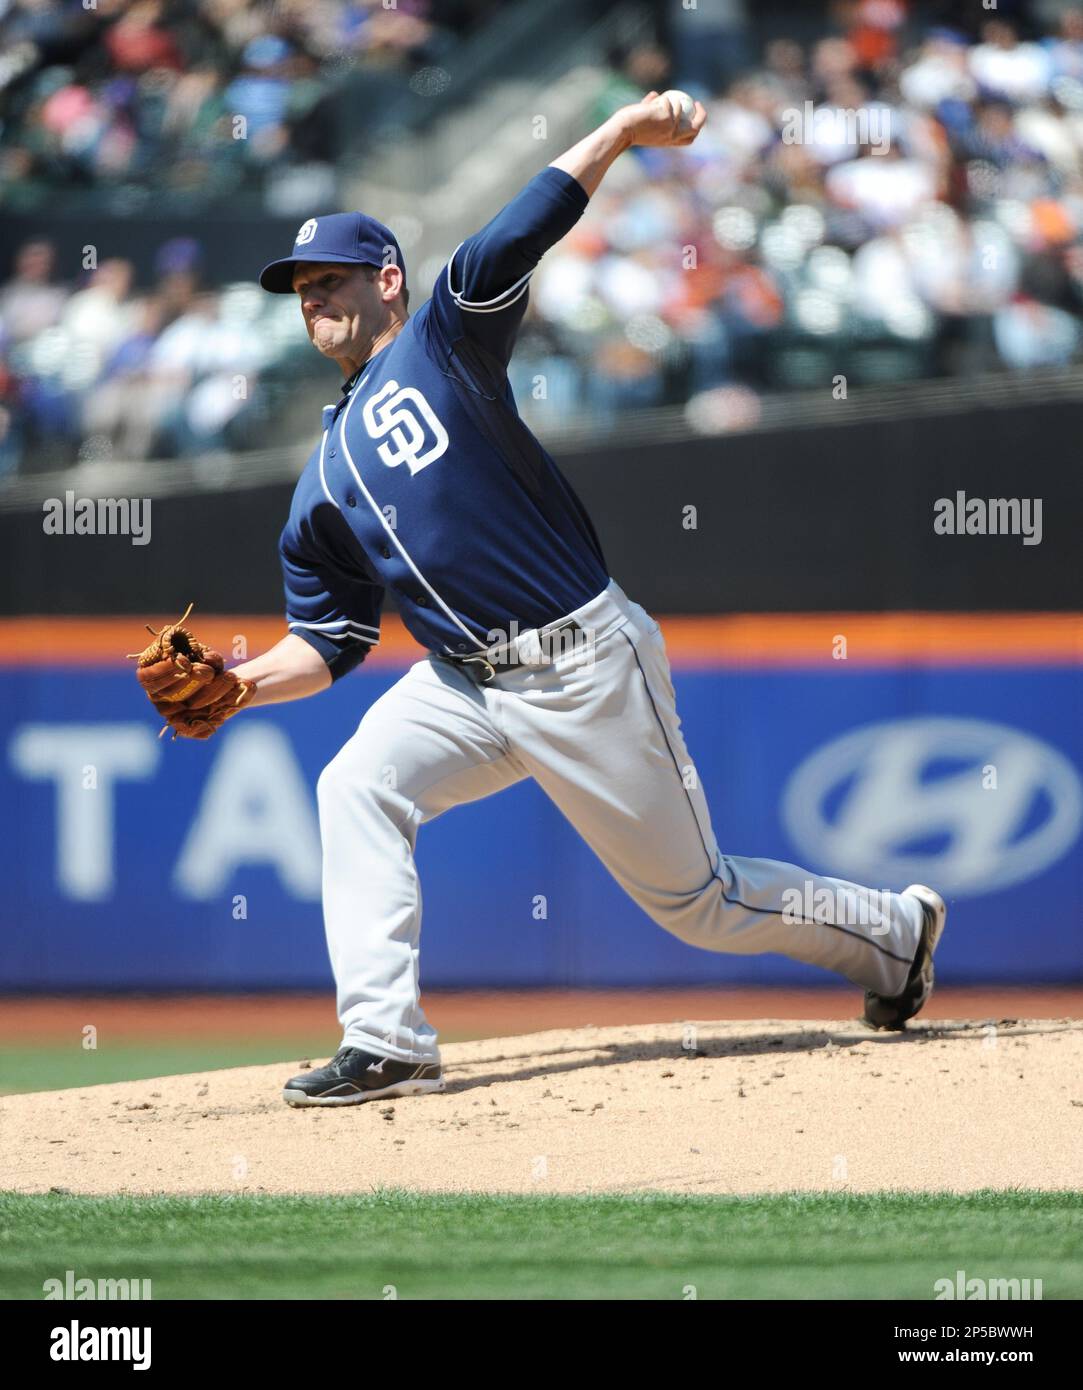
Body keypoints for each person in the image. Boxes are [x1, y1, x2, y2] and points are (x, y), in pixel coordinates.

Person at [222, 92, 946, 1106]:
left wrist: (618, 132)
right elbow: (331, 636)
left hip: (581, 661)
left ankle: (897, 935)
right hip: (467, 686)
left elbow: (526, 222)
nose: (313, 300)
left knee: (701, 902)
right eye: (299, 289)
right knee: (355, 786)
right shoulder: (319, 484)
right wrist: (239, 684)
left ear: (387, 278)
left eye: (329, 278)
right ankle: (386, 1039)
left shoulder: (442, 343)